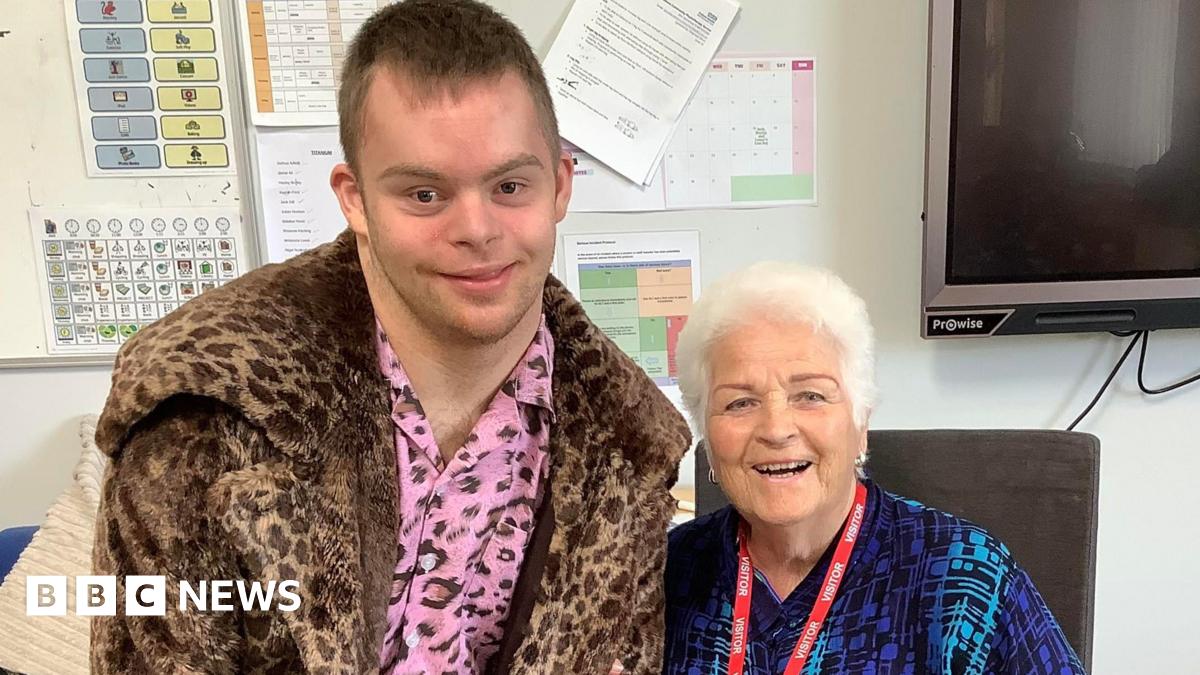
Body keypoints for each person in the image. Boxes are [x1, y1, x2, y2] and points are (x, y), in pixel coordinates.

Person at [90, 1, 690, 673]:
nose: (477, 229)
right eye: (425, 195)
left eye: (510, 185)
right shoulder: (203, 417)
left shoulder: (628, 449)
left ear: (558, 186)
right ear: (354, 199)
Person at [664, 262, 1085, 674]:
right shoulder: (662, 573)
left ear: (860, 423)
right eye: (740, 402)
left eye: (810, 395)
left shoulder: (964, 576)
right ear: (708, 437)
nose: (776, 429)